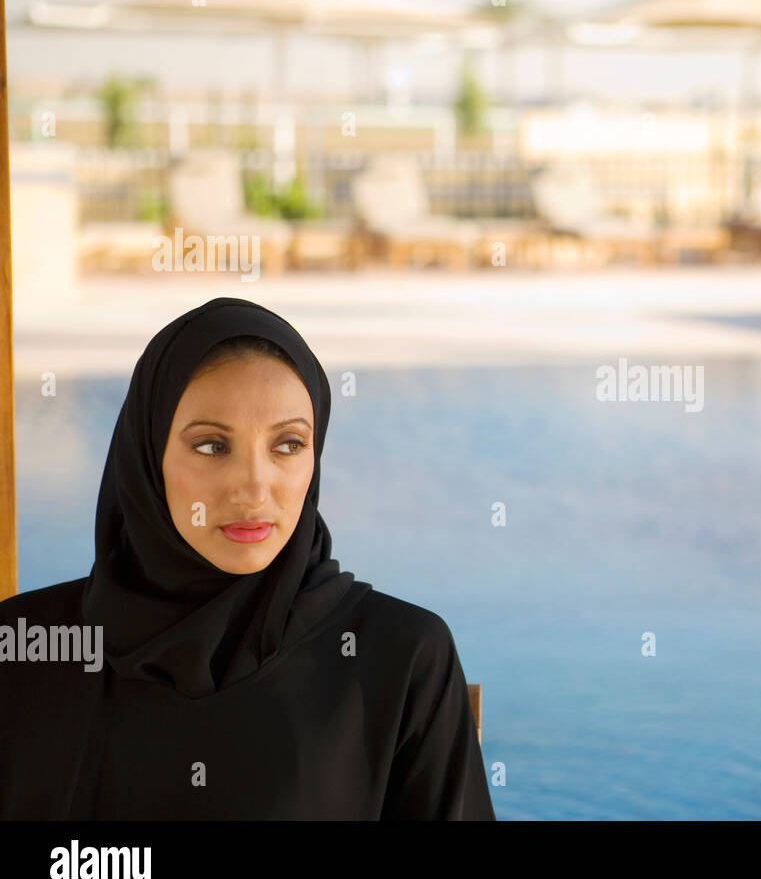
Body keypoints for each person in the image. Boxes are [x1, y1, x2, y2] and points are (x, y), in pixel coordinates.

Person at [0, 297, 495, 819]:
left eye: (287, 444)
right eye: (213, 446)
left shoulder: (400, 656)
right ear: (146, 457)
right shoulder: (27, 647)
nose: (256, 488)